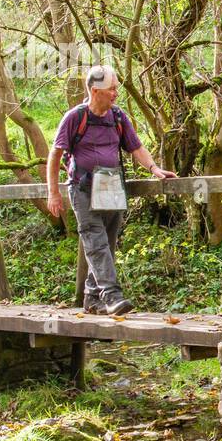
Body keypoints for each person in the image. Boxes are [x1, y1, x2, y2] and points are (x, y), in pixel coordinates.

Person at [47, 65, 176, 315]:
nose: (116, 93)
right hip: (82, 187)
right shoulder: (75, 117)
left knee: (108, 241)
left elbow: (135, 147)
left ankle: (92, 298)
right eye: (112, 89)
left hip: (110, 184)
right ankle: (111, 295)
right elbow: (56, 155)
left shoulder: (117, 116)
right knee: (95, 240)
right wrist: (53, 192)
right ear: (95, 91)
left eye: (116, 88)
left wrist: (154, 169)